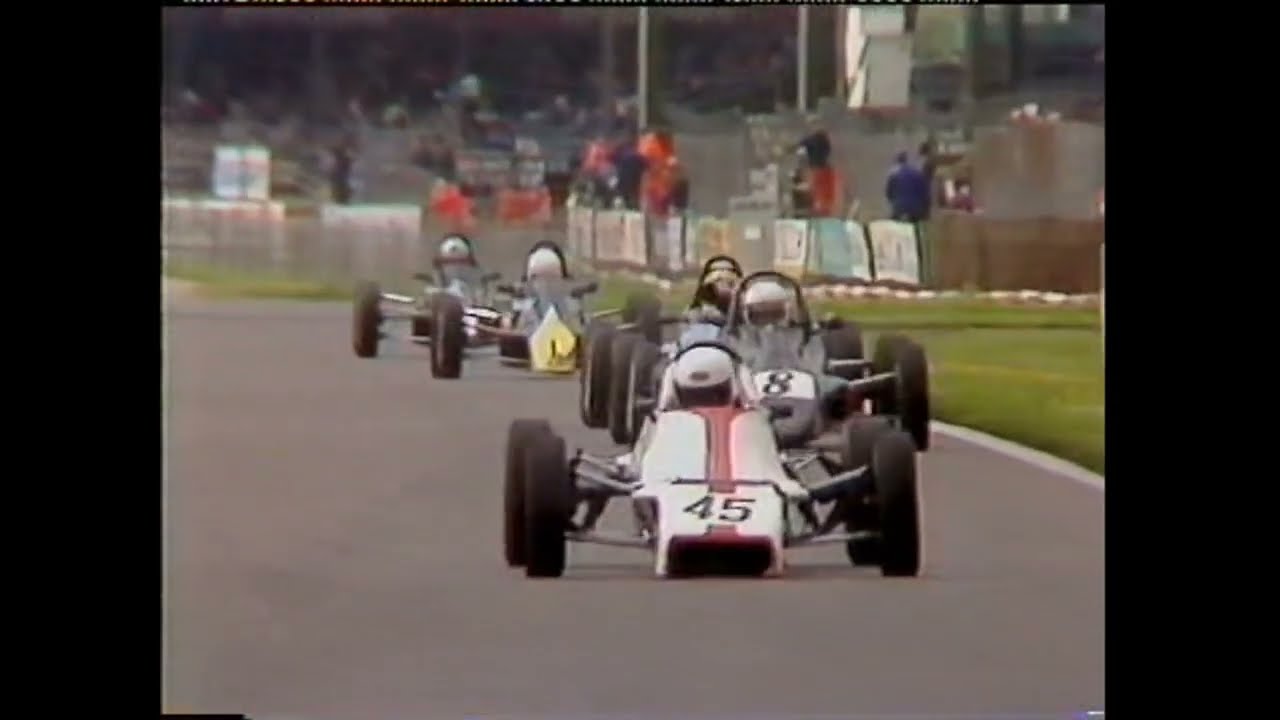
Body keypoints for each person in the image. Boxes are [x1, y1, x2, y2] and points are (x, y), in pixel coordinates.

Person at [796, 117, 836, 216]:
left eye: (814, 125)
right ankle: (820, 208)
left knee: (816, 189)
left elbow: (802, 145)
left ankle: (819, 209)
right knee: (819, 190)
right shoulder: (821, 138)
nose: (812, 127)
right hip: (821, 167)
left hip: (818, 168)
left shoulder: (816, 139)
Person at [885, 151, 929, 223]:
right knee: (917, 223)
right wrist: (926, 211)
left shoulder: (894, 174)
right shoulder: (917, 173)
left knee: (894, 223)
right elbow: (925, 194)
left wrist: (895, 203)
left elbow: (888, 193)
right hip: (916, 208)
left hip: (899, 207)